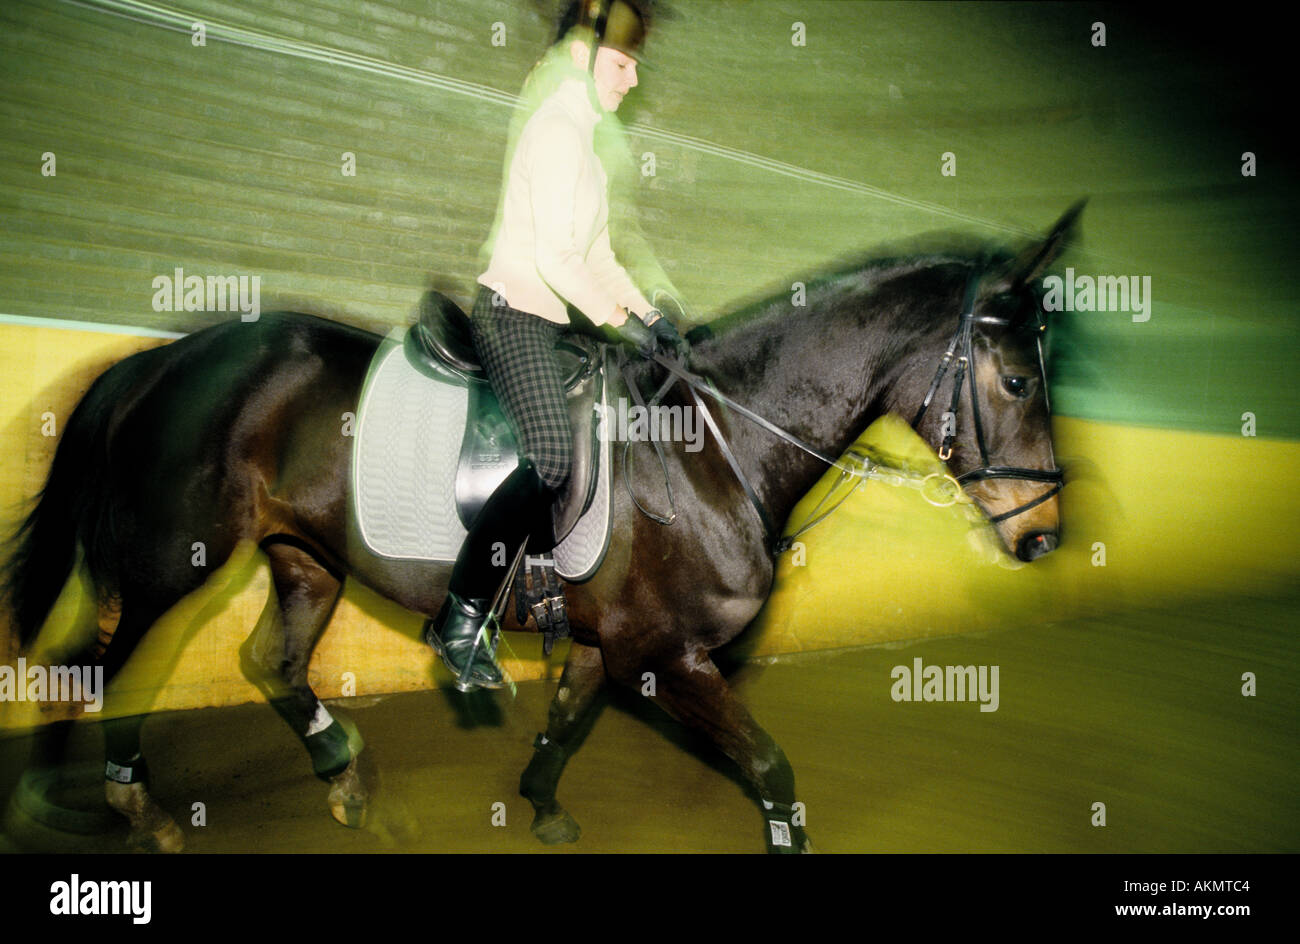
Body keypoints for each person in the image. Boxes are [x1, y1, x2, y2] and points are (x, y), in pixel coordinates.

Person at [425, 0, 686, 691]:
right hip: (512, 314)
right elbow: (553, 259)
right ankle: (461, 615)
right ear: (584, 53)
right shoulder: (557, 126)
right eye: (624, 64)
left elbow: (596, 256)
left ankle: (552, 586)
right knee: (548, 455)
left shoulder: (588, 141)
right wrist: (616, 321)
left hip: (552, 322)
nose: (632, 80)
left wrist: (649, 315)